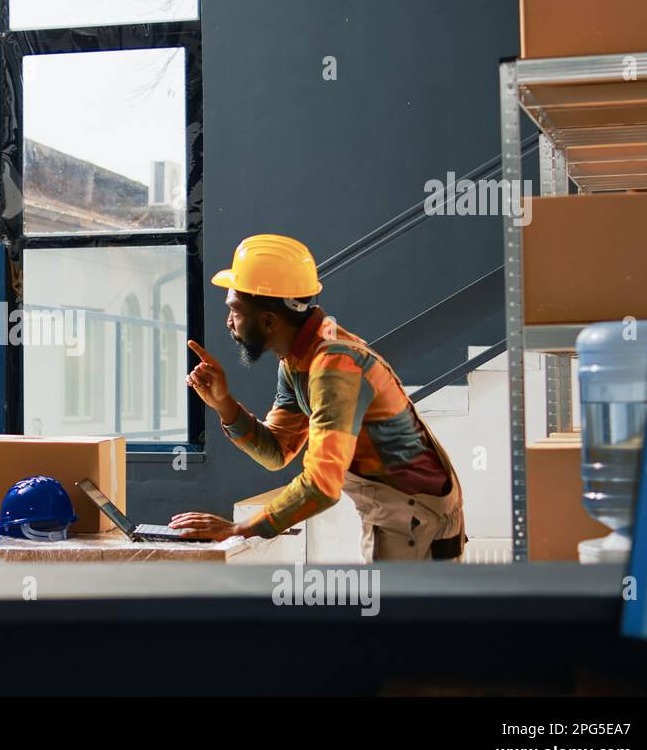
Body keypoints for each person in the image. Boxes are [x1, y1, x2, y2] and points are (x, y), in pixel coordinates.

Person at [170, 234, 467, 562]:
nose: (229, 322)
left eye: (236, 311)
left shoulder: (334, 365)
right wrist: (224, 404)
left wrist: (239, 529)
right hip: (395, 512)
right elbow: (277, 452)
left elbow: (323, 485)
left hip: (415, 517)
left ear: (269, 321)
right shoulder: (297, 361)